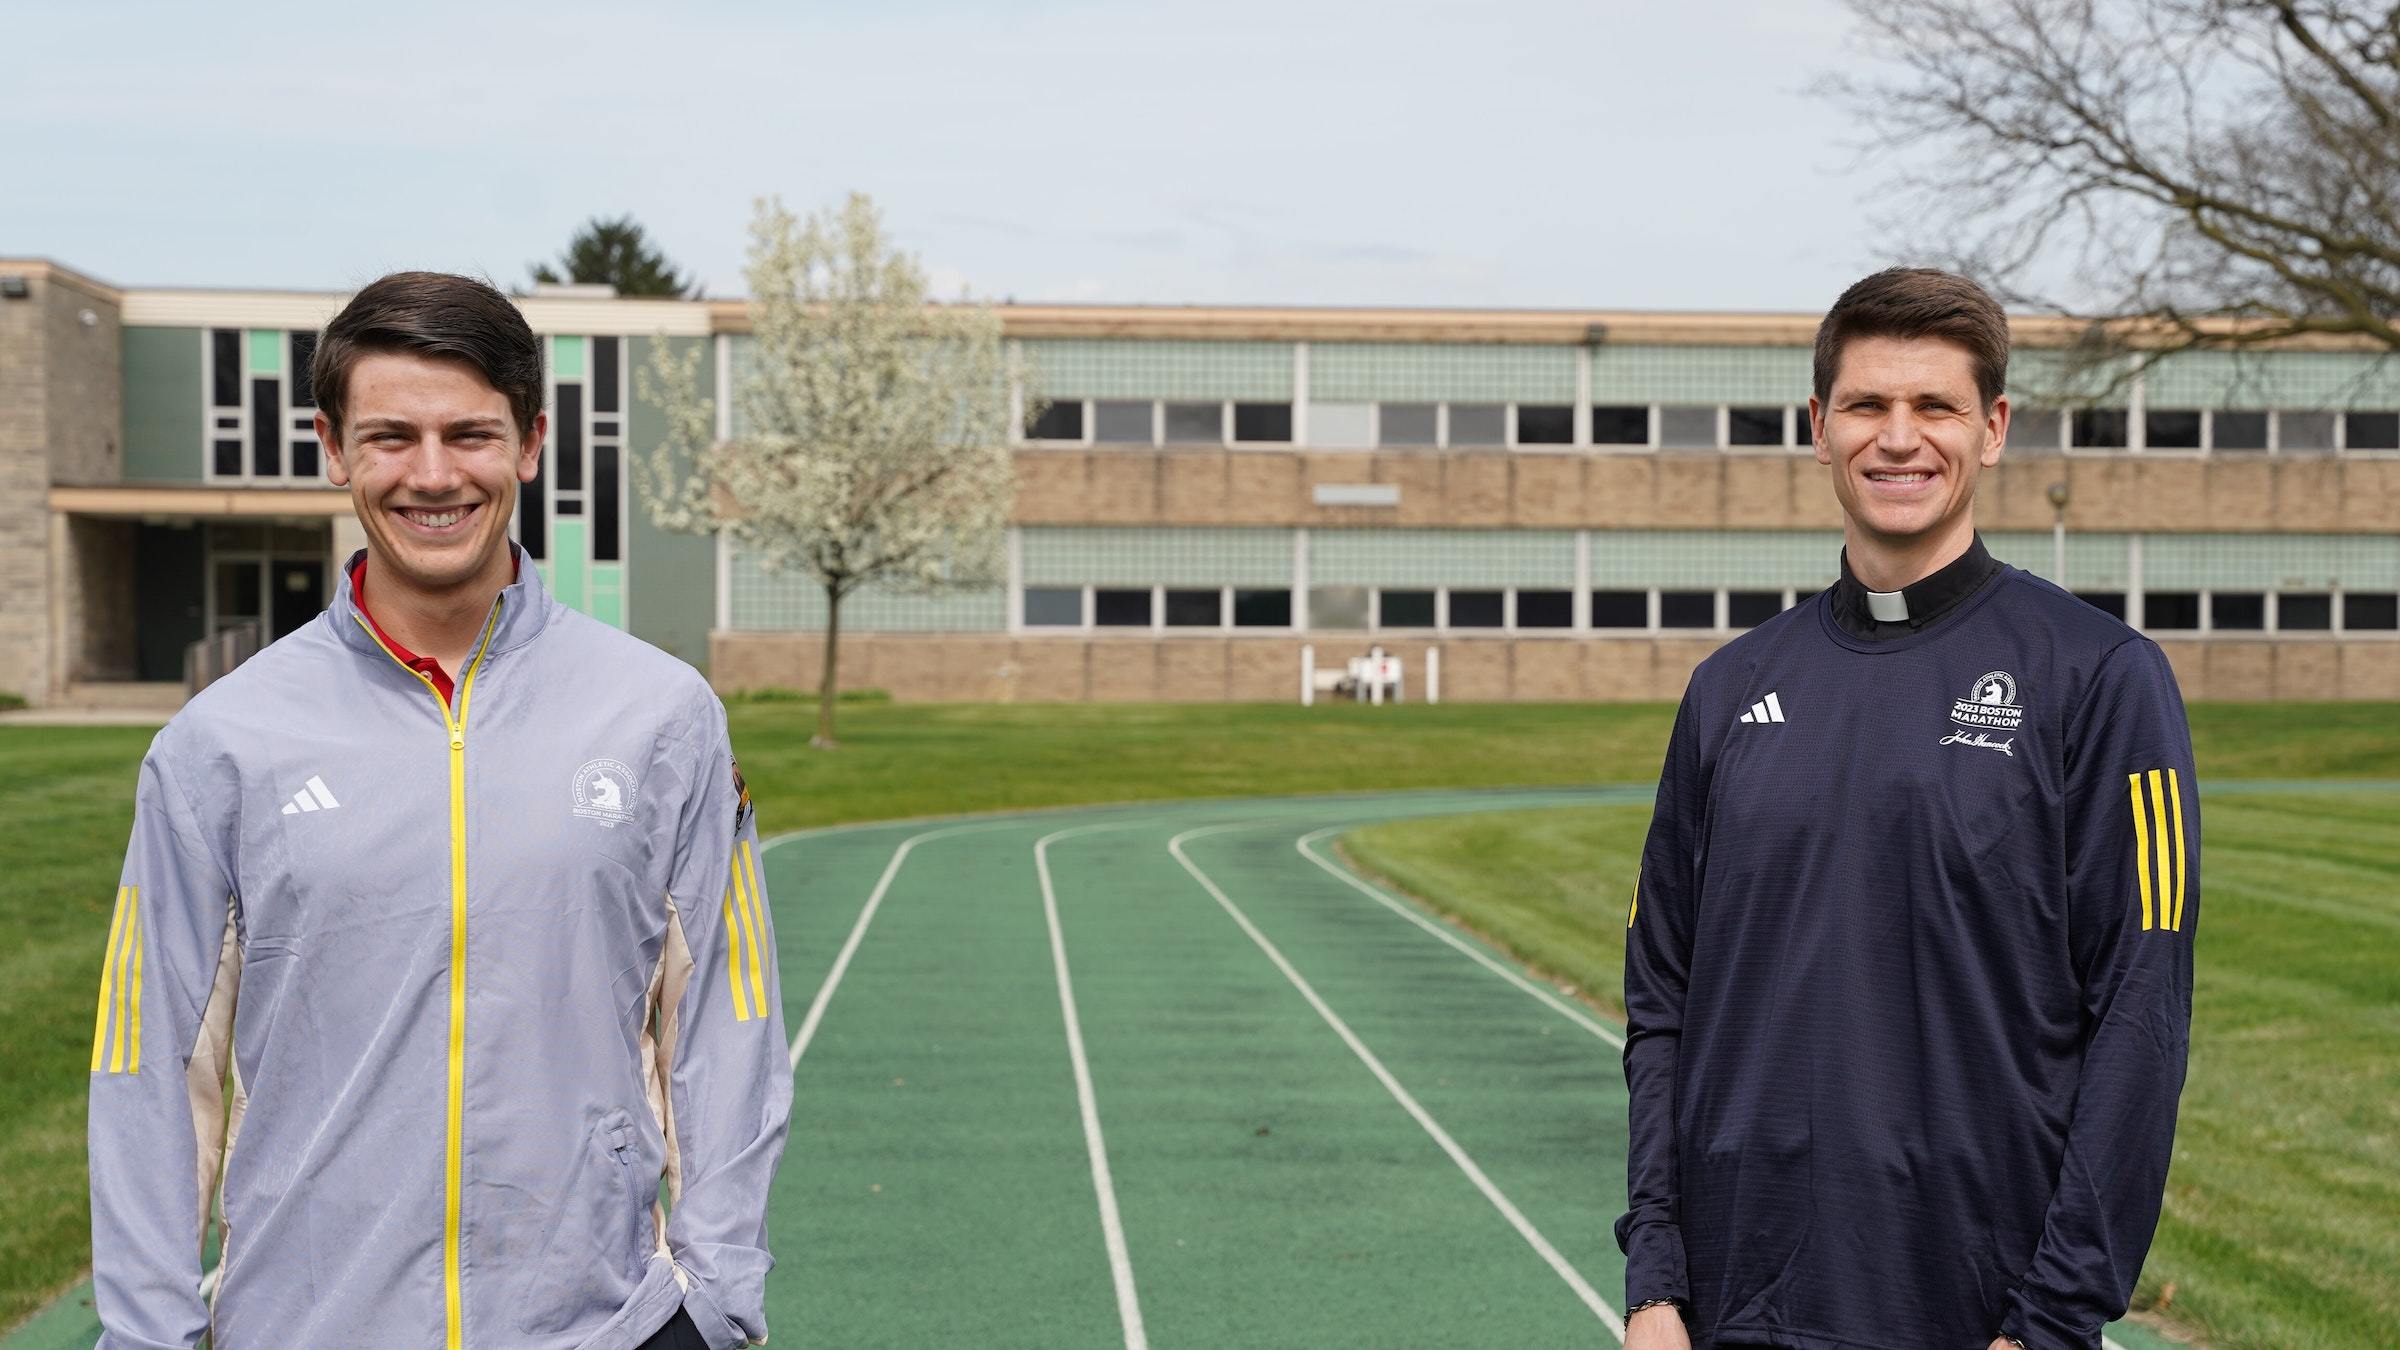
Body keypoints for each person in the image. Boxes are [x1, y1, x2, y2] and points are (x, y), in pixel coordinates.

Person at [86, 272, 791, 1349]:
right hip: (303, 1325)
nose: (431, 474)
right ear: (333, 448)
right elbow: (147, 1061)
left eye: (469, 434)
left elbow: (727, 1016)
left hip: (598, 1327)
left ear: (529, 443)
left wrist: (720, 1295)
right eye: (389, 436)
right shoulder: (219, 743)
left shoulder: (662, 716)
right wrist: (146, 1334)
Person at [1618, 268, 2197, 1350]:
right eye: (1867, 406)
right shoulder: (1728, 689)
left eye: (1934, 406)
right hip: (1735, 1309)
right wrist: (1656, 1282)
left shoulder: (2105, 677)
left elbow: (2141, 1020)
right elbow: (1662, 1003)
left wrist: (2054, 1321)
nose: (1899, 438)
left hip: (1978, 1315)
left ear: (1993, 428)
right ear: (1819, 427)